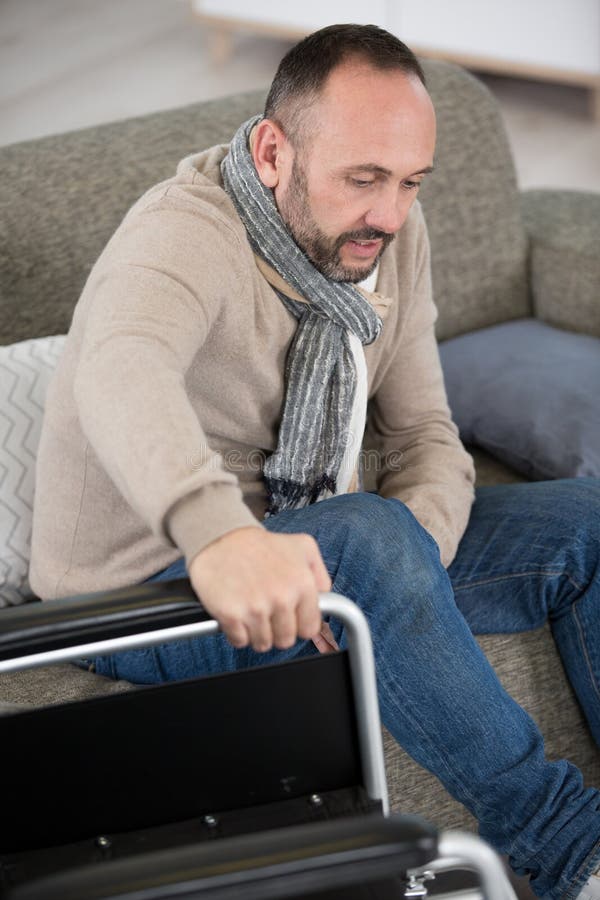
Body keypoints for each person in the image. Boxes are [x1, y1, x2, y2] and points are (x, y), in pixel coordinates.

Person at [29, 22, 600, 900]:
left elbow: (424, 438)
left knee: (584, 526)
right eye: (363, 178)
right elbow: (121, 366)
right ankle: (576, 856)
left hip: (326, 540)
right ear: (271, 153)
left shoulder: (393, 238)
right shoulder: (184, 233)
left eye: (411, 182)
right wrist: (220, 534)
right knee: (368, 540)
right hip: (156, 580)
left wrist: (409, 563)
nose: (391, 213)